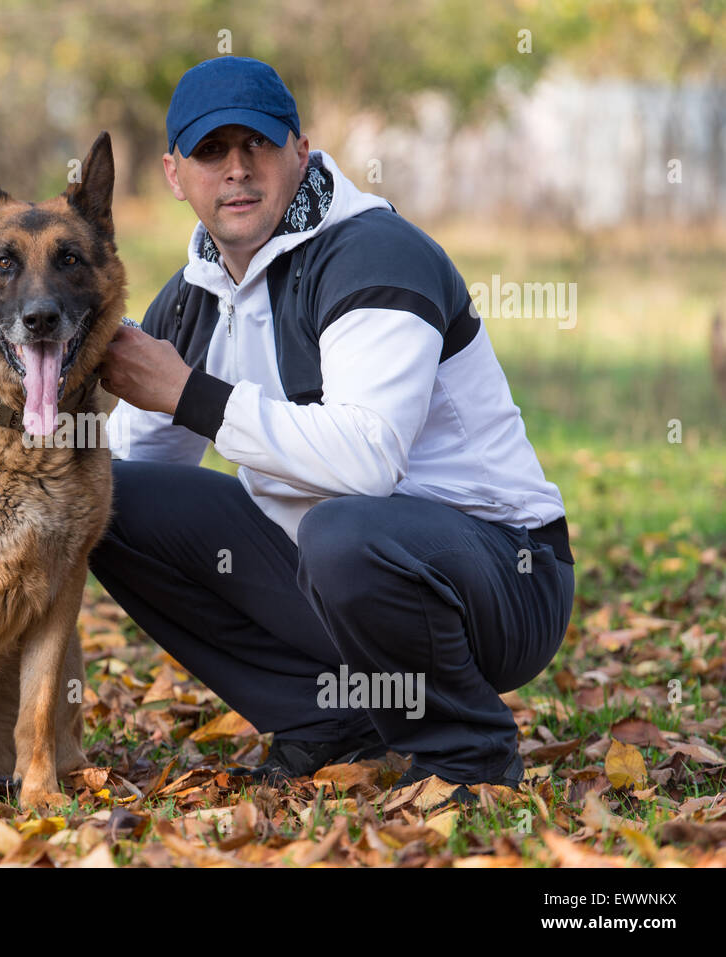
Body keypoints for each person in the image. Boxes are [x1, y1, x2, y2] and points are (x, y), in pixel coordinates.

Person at [91, 56, 575, 799]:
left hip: (505, 576)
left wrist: (189, 392)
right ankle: (330, 719)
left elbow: (368, 460)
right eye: (211, 152)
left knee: (344, 530)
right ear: (173, 174)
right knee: (105, 504)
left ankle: (468, 751)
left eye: (257, 145)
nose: (237, 171)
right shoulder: (193, 294)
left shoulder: (373, 254)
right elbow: (135, 459)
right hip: (338, 575)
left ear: (300, 151)